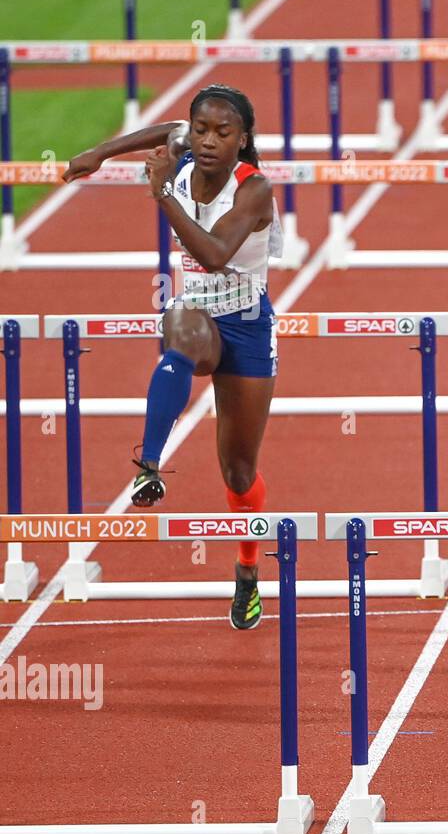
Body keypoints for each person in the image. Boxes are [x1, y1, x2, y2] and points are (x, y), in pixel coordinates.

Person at [63, 84, 283, 631]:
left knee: (238, 471)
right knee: (180, 329)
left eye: (223, 133)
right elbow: (166, 131)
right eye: (202, 130)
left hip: (248, 323)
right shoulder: (186, 146)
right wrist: (100, 152)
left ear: (243, 140)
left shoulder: (254, 190)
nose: (208, 142)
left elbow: (211, 254)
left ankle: (248, 571)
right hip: (197, 313)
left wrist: (162, 193)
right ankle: (150, 466)